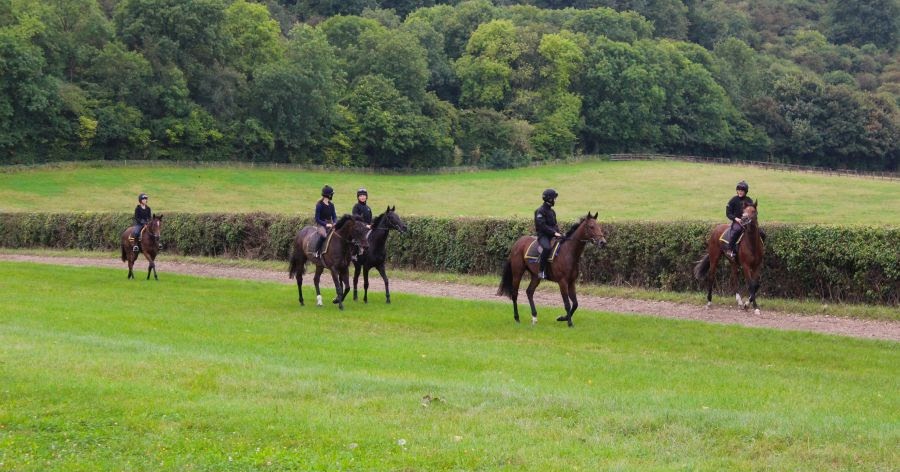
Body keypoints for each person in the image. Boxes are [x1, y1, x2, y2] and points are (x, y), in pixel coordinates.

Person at [534, 188, 562, 279]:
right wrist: (554, 233)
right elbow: (542, 226)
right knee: (547, 248)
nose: (555, 200)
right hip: (543, 235)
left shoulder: (552, 212)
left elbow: (555, 225)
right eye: (554, 198)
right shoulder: (540, 211)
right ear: (549, 199)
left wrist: (559, 233)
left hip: (552, 235)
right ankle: (541, 271)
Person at [725, 180, 754, 259]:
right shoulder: (733, 200)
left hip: (748, 222)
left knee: (761, 232)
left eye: (742, 191)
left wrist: (748, 216)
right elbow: (728, 213)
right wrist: (736, 218)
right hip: (737, 222)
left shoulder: (749, 200)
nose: (740, 192)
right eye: (739, 190)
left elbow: (752, 211)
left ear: (745, 192)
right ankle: (729, 250)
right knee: (737, 230)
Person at [314, 185, 337, 258]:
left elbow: (334, 216)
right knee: (324, 235)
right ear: (329, 195)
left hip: (330, 224)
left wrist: (335, 222)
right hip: (321, 225)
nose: (332, 195)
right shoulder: (319, 205)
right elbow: (317, 219)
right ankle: (317, 251)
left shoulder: (331, 205)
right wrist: (326, 224)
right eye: (332, 194)